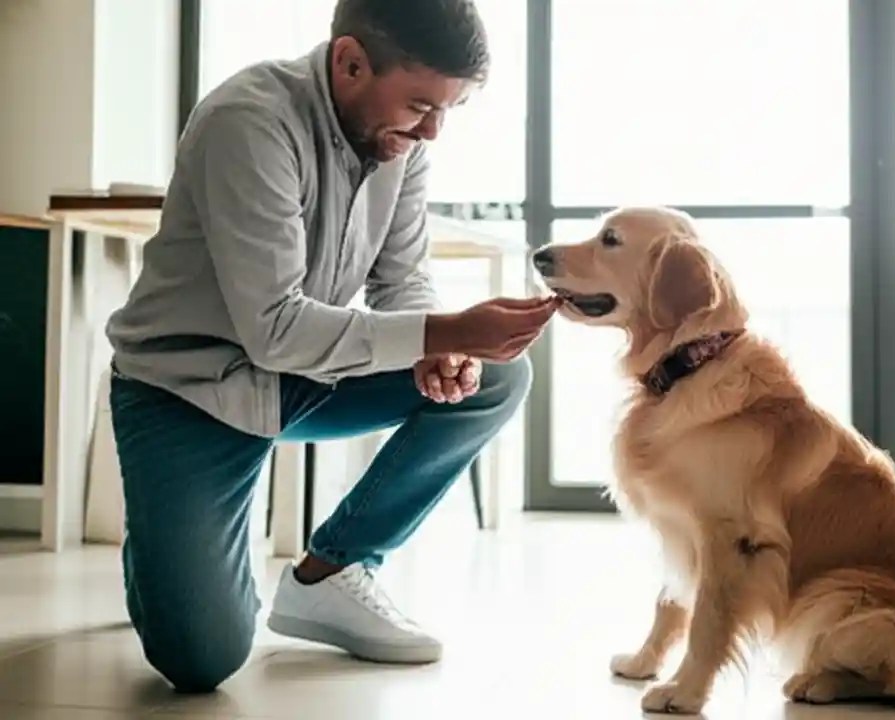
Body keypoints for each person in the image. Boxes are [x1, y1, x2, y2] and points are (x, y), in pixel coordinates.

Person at [104, 0, 557, 693]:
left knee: (495, 378)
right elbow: (275, 328)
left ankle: (333, 569)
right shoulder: (249, 121)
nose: (432, 130)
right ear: (350, 63)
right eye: (419, 105)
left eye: (448, 110)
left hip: (301, 377)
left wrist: (441, 352)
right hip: (189, 392)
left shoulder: (401, 142)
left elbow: (402, 279)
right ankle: (164, 529)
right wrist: (449, 330)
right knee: (201, 661)